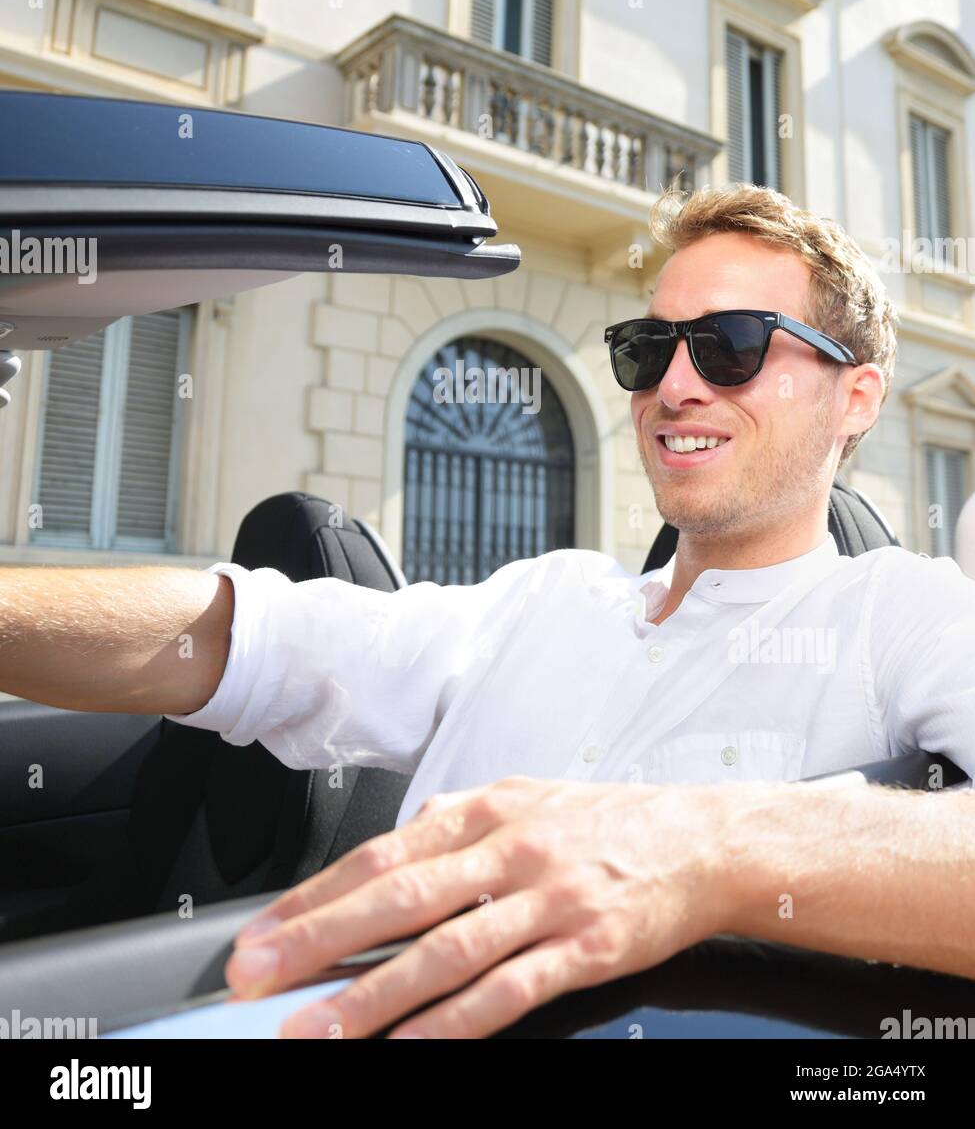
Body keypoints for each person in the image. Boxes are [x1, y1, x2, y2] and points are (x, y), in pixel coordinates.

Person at [3, 184, 974, 1040]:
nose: (674, 386)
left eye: (731, 345)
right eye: (648, 348)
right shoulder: (540, 600)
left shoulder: (901, 613)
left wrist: (703, 850)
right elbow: (242, 636)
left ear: (857, 398)